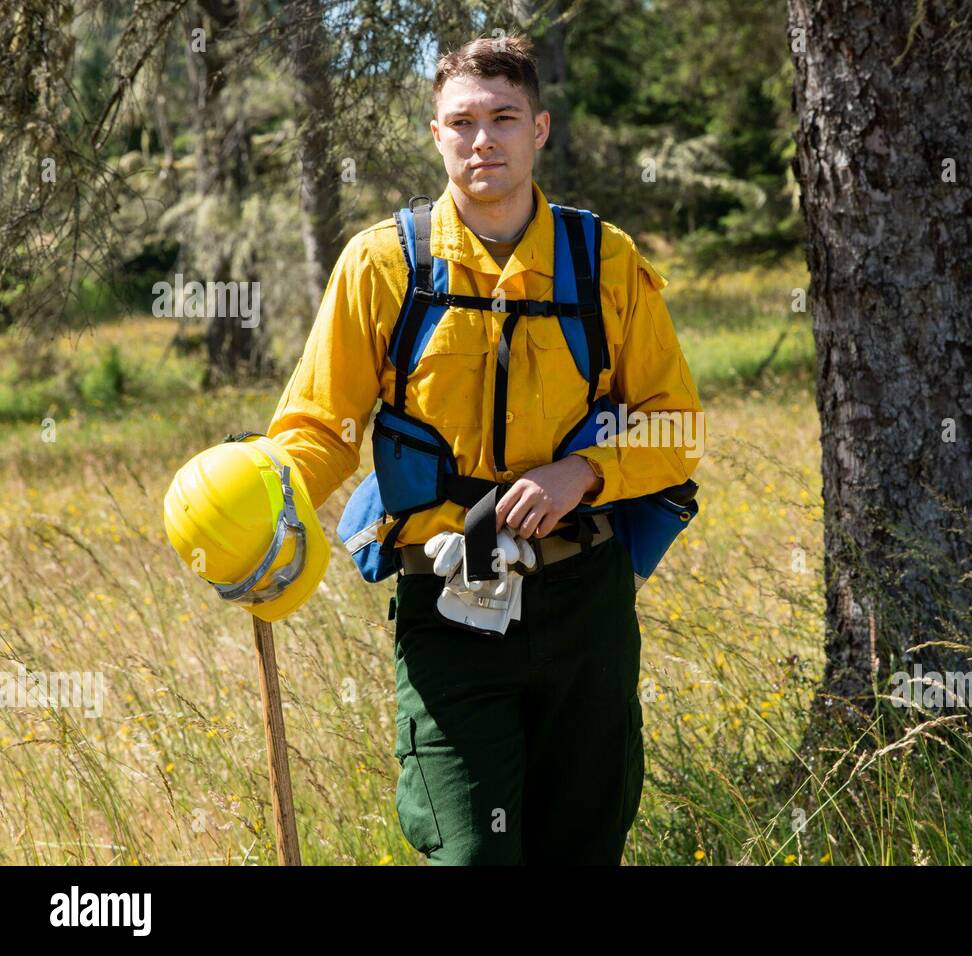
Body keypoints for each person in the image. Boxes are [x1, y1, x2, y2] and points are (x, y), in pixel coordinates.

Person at [264, 33, 705, 864]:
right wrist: (265, 499)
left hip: (587, 606)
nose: (483, 140)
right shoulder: (383, 264)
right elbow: (322, 428)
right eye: (461, 122)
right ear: (435, 135)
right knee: (471, 853)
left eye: (504, 118)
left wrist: (584, 472)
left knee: (583, 848)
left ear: (539, 128)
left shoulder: (602, 260)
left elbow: (675, 426)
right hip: (448, 606)